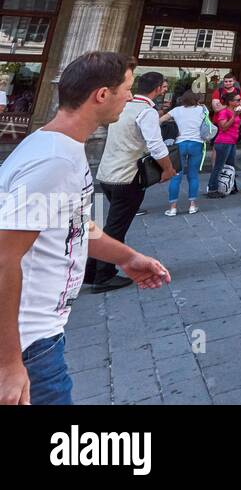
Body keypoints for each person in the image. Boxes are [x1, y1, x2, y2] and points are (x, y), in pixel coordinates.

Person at [0, 52, 171, 405]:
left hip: (39, 336)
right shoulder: (53, 160)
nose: (130, 96)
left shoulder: (59, 147)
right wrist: (9, 364)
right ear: (102, 95)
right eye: (125, 88)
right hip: (29, 343)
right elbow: (3, 256)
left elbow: (74, 221)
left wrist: (127, 256)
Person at [84, 71, 175, 292]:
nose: (164, 90)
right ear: (156, 88)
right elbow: (155, 145)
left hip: (107, 174)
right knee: (117, 227)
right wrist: (168, 168)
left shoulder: (124, 106)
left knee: (112, 223)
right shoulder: (146, 111)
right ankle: (103, 275)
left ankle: (91, 269)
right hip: (128, 176)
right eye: (163, 86)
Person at [162, 91, 208, 216]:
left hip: (180, 144)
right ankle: (192, 206)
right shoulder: (202, 109)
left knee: (176, 176)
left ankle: (172, 208)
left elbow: (160, 120)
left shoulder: (176, 110)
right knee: (193, 176)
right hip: (196, 144)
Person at [206, 89, 241, 197]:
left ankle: (230, 186)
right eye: (237, 100)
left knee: (231, 166)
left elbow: (237, 125)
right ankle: (212, 188)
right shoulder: (224, 112)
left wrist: (238, 115)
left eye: (239, 100)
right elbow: (223, 127)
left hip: (232, 141)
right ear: (230, 102)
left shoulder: (234, 112)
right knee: (219, 165)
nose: (239, 102)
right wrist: (234, 116)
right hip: (223, 141)